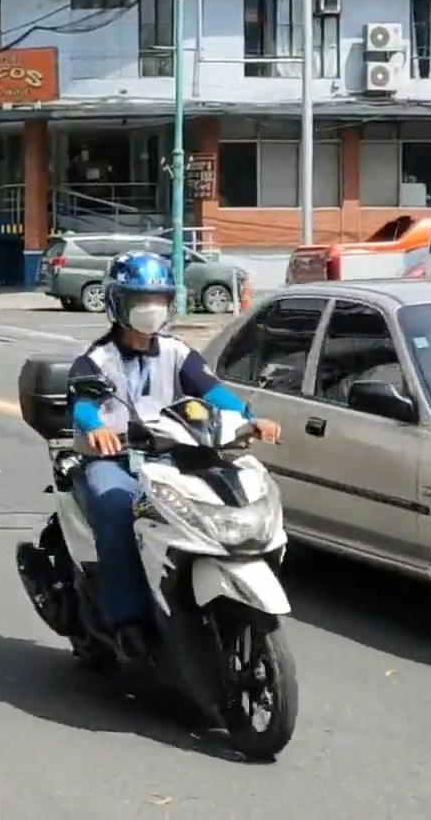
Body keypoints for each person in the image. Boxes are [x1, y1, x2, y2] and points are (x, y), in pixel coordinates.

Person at [68, 252, 281, 660]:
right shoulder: (98, 359)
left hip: (174, 457)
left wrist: (250, 419)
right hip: (116, 461)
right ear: (118, 303)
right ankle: (126, 620)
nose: (151, 310)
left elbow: (211, 391)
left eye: (159, 300)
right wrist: (95, 428)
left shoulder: (176, 353)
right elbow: (82, 402)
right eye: (139, 300)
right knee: (116, 508)